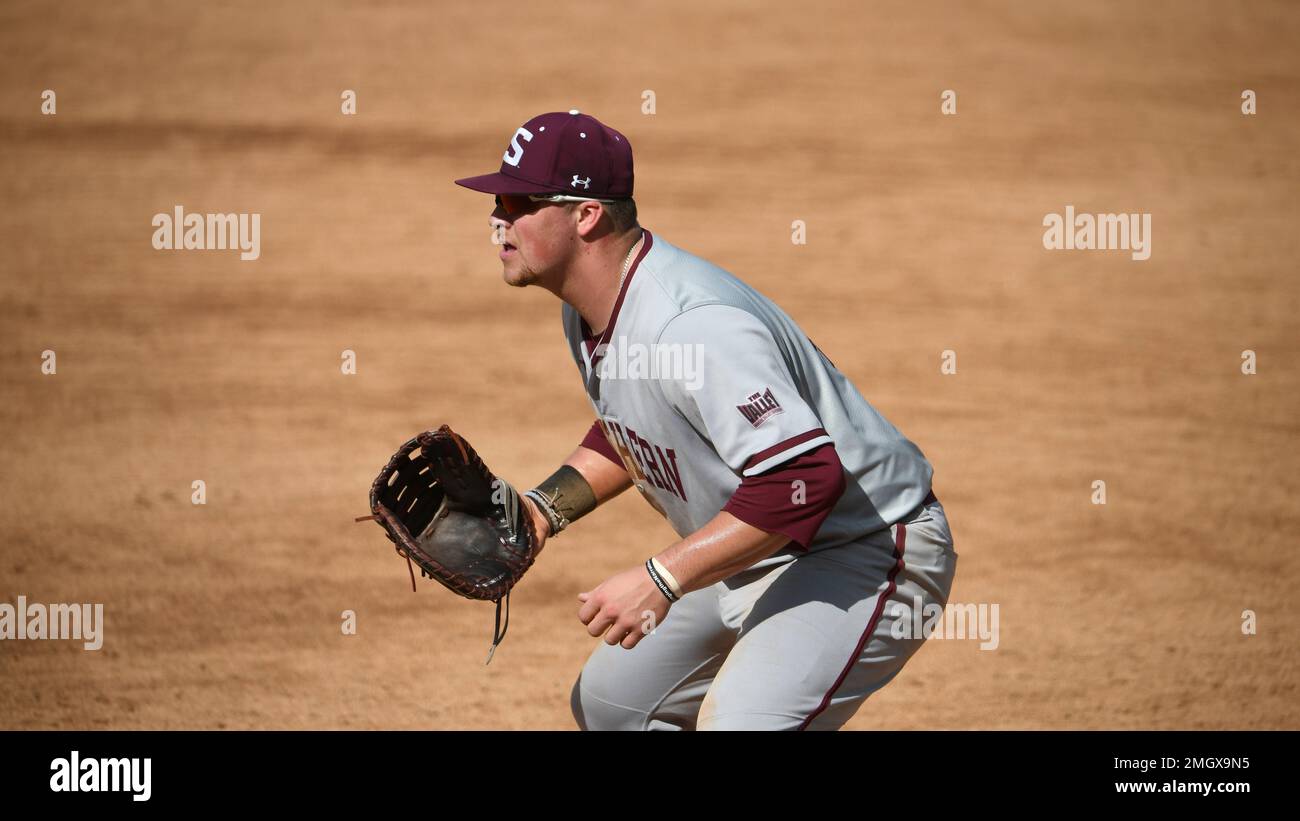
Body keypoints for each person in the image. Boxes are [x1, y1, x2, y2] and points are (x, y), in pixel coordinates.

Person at [454, 109, 958, 731]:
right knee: (615, 708)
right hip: (762, 543)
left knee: (743, 724)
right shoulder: (588, 306)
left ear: (585, 214)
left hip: (865, 545)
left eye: (517, 201)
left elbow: (804, 480)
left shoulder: (691, 324)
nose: (496, 219)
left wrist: (660, 578)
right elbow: (633, 427)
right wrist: (540, 512)